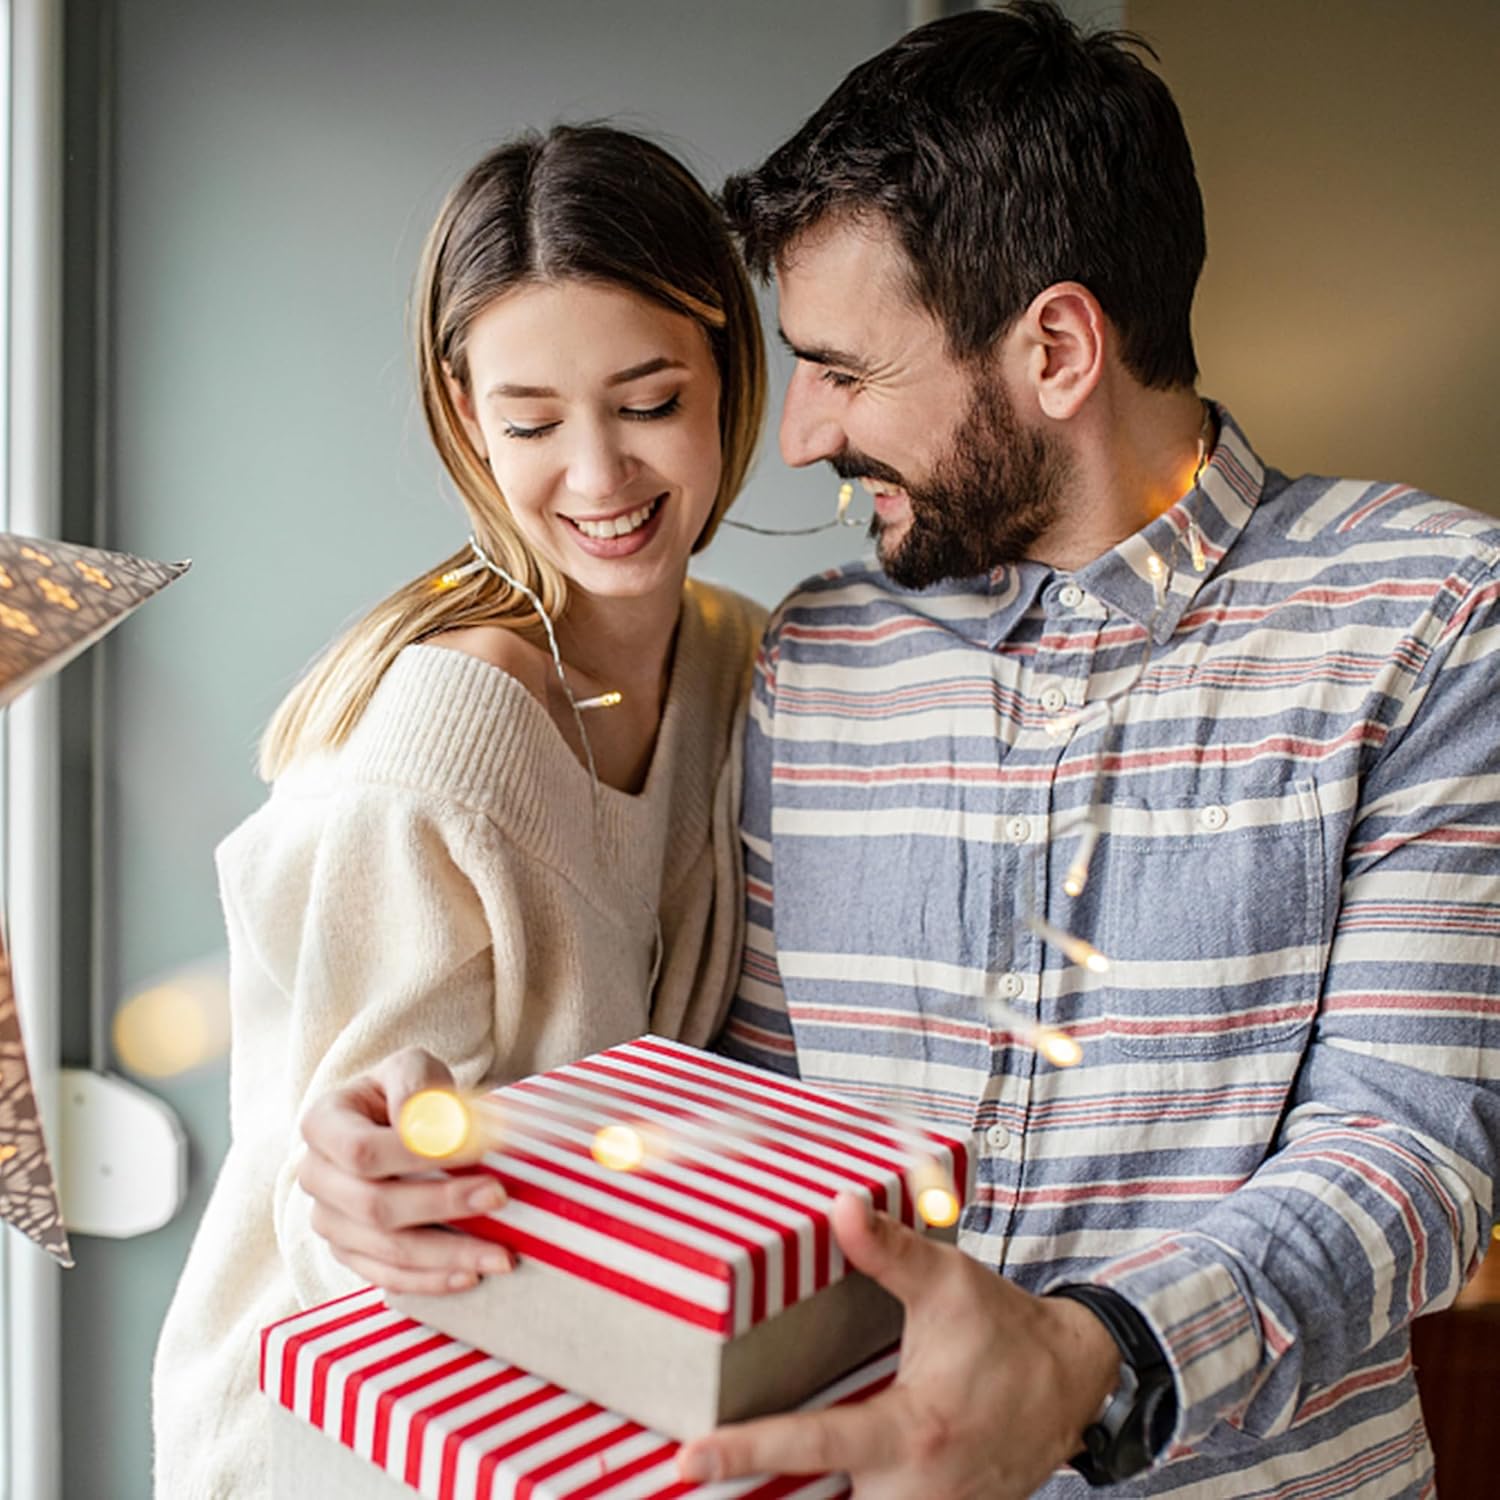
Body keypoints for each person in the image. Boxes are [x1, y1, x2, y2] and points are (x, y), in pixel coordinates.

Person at [671, 4, 1500, 1497]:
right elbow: (766, 1119)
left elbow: (1411, 1150)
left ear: (1055, 347)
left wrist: (1087, 1364)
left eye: (846, 372)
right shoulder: (815, 660)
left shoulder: (1433, 619)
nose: (798, 434)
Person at [151, 124, 767, 1499]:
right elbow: (336, 1213)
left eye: (651, 399)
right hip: (334, 1438)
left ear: (732, 369)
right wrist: (367, 1155)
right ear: (466, 414)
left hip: (567, 1426)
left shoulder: (733, 660)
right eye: (533, 422)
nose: (598, 478)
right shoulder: (446, 740)